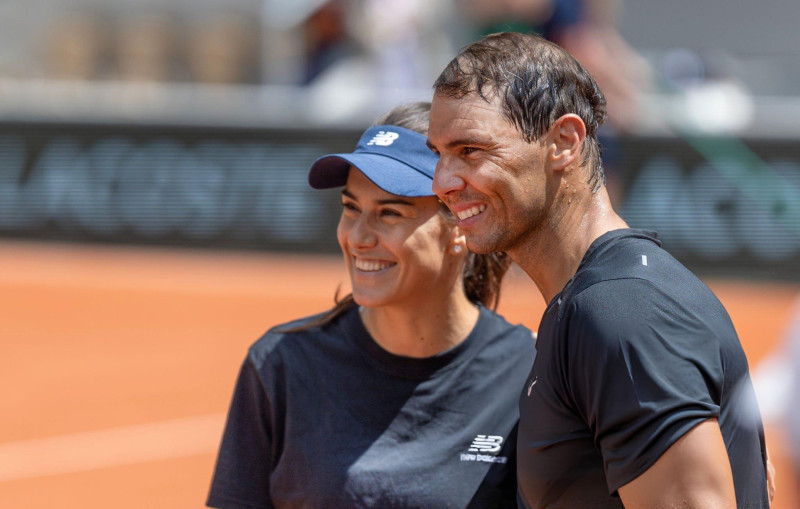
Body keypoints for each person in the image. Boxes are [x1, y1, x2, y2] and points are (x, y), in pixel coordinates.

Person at [426, 32, 771, 508]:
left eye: (470, 151)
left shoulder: (620, 314)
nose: (442, 182)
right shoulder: (603, 300)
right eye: (437, 153)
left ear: (564, 142)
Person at [206, 101, 536, 509]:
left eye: (390, 213)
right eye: (351, 208)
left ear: (458, 227)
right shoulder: (279, 363)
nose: (359, 237)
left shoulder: (530, 373)